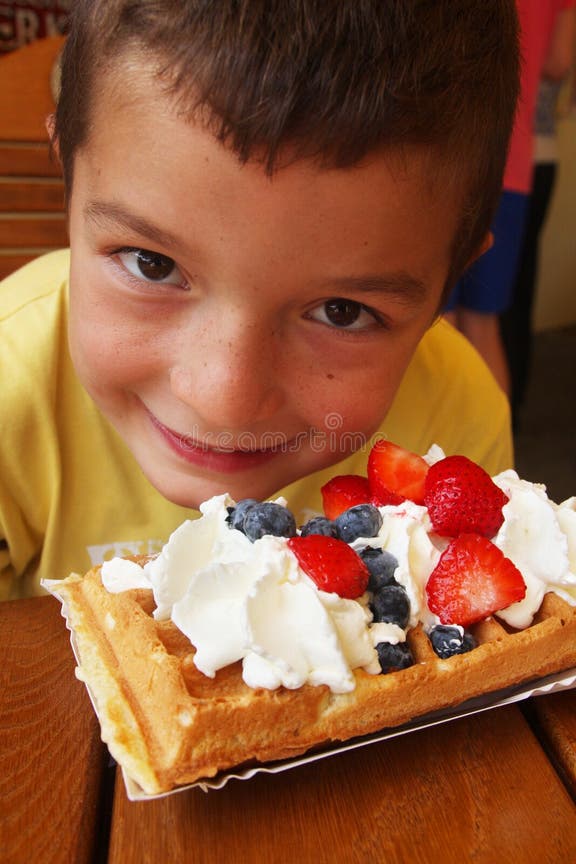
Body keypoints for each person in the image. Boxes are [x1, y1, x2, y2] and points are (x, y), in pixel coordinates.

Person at [0, 0, 520, 600]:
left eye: (341, 311)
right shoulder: (13, 388)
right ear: (68, 181)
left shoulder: (457, 418)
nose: (226, 400)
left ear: (447, 286)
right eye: (153, 265)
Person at [444, 0, 574, 396]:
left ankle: (433, 456)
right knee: (485, 323)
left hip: (443, 159)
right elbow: (558, 61)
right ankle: (491, 455)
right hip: (512, 162)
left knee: (436, 326)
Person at [501, 2, 576, 425]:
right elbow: (558, 63)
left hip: (477, 155)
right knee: (515, 288)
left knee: (457, 318)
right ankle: (508, 415)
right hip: (533, 153)